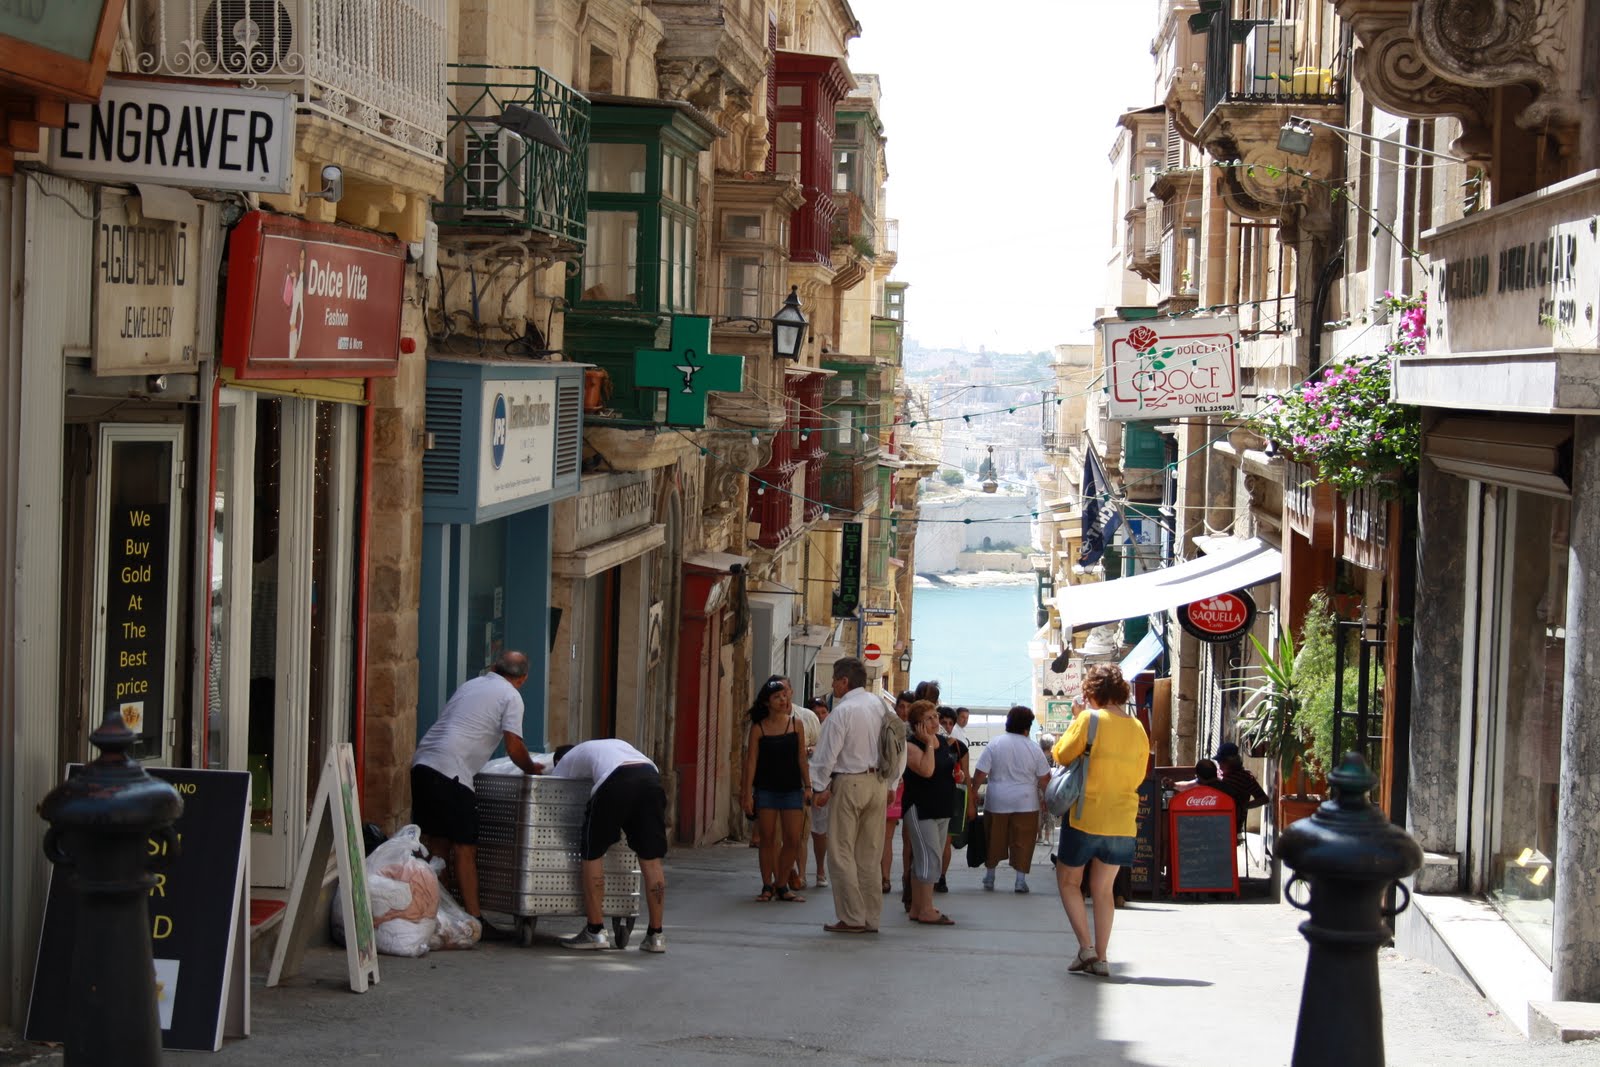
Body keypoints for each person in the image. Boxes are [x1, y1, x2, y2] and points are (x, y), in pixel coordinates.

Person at [410, 651, 538, 936]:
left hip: (424, 764)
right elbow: (514, 746)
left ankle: (435, 914)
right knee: (465, 848)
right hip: (452, 772)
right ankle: (475, 919)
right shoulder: (511, 696)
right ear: (523, 679)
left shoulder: (471, 684)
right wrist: (533, 770)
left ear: (493, 667)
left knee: (437, 844)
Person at [1051, 664, 1150, 977]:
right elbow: (1140, 774)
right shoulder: (1137, 727)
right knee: (1104, 890)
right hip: (1122, 819)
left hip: (1086, 814)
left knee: (1069, 882)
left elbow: (1061, 755)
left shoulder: (1089, 719)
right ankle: (1103, 957)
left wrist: (1076, 718)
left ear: (1091, 692)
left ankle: (1086, 948)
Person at [547, 738, 669, 953]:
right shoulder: (612, 746)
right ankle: (656, 936)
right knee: (650, 858)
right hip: (651, 777)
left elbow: (552, 789)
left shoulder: (565, 760)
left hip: (617, 781)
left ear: (558, 759)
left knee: (591, 852)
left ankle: (595, 931)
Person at [810, 657, 888, 934]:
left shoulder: (843, 711)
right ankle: (871, 917)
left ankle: (852, 917)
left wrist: (818, 788)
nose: (832, 684)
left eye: (834, 679)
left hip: (849, 783)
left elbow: (826, 755)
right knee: (869, 854)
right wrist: (890, 783)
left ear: (844, 682)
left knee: (841, 853)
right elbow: (896, 745)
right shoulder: (880, 706)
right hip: (877, 782)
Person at [741, 676, 811, 902]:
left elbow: (802, 758)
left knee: (792, 838)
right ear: (767, 702)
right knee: (768, 838)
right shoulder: (759, 728)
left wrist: (808, 786)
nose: (782, 700)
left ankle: (782, 883)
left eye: (784, 696)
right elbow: (751, 761)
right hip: (767, 790)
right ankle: (767, 885)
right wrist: (747, 794)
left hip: (792, 789)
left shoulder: (796, 725)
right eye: (776, 697)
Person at [969, 705, 1051, 893]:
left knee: (993, 838)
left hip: (997, 800)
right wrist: (1047, 799)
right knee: (1023, 840)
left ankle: (990, 877)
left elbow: (981, 772)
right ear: (1028, 726)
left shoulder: (995, 744)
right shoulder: (1034, 748)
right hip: (1026, 802)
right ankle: (1020, 881)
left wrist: (973, 792)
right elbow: (1045, 779)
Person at [902, 700, 959, 924]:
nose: (936, 721)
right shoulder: (912, 745)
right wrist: (927, 743)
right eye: (929, 718)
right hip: (921, 808)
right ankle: (927, 908)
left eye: (936, 716)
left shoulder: (942, 742)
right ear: (917, 724)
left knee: (925, 859)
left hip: (942, 807)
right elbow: (926, 770)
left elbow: (945, 769)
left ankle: (917, 907)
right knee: (929, 857)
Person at [789, 686, 822, 889]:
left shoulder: (807, 717)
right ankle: (782, 875)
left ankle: (800, 875)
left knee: (801, 833)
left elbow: (820, 747)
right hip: (777, 783)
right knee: (778, 835)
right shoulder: (763, 721)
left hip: (801, 782)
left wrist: (812, 786)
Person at [882, 691, 914, 895]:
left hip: (912, 788)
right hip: (895, 786)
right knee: (886, 836)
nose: (904, 711)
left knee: (909, 838)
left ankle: (907, 878)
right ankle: (884, 878)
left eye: (908, 707)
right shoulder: (890, 727)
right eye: (901, 706)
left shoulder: (918, 731)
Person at [935, 706, 968, 892]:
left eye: (950, 723)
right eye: (943, 722)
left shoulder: (959, 746)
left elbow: (967, 775)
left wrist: (970, 803)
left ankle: (941, 877)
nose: (946, 726)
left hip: (951, 797)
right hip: (931, 796)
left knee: (945, 841)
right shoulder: (927, 743)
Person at [1209, 742, 1269, 833]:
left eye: (1223, 761)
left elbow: (1263, 799)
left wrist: (1242, 806)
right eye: (1218, 761)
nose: (1220, 764)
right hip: (1212, 819)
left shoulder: (1245, 777)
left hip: (1230, 823)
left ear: (1233, 761)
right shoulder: (1218, 772)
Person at [807, 697, 832, 887]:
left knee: (820, 831)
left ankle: (820, 869)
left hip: (826, 786)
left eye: (823, 712)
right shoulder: (805, 729)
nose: (821, 717)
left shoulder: (831, 730)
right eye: (816, 713)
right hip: (807, 784)